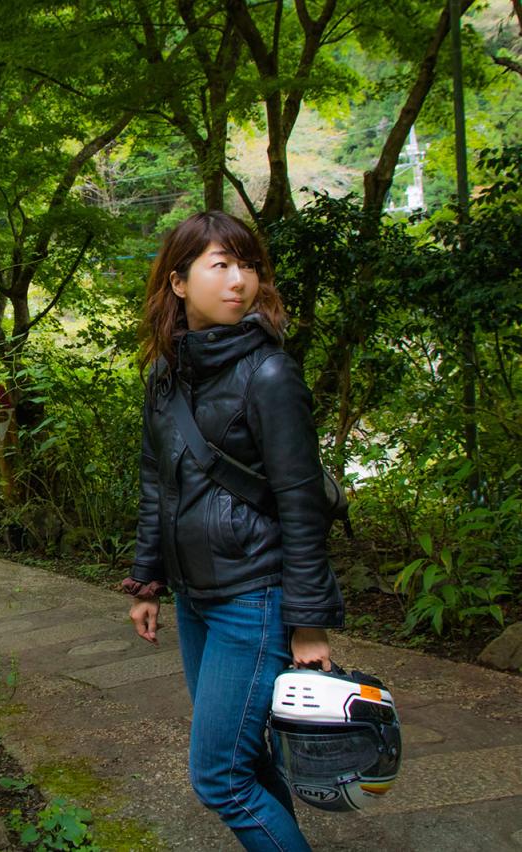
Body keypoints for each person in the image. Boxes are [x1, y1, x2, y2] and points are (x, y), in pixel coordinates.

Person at [122, 211, 344, 852]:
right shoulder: (167, 376)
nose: (238, 280)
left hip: (257, 595)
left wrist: (308, 623)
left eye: (246, 265)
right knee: (248, 762)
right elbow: (156, 486)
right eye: (220, 265)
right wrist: (147, 581)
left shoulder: (270, 374)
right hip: (198, 600)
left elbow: (301, 506)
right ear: (179, 282)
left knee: (219, 778)